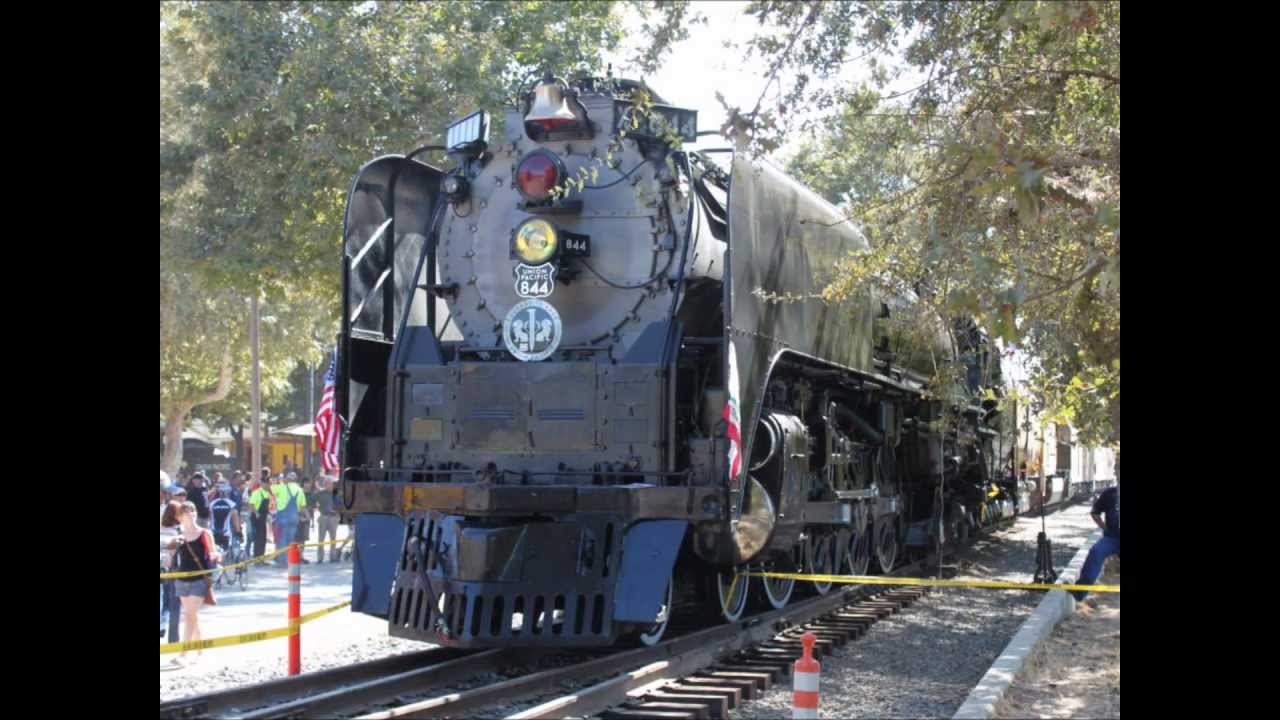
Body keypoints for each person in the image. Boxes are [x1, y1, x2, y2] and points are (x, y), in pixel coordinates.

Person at [167, 501, 221, 668]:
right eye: (187, 512)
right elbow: (170, 559)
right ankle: (200, 650)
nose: (191, 514)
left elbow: (213, 554)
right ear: (180, 517)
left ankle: (184, 654)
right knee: (192, 616)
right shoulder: (179, 536)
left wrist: (216, 557)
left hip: (199, 580)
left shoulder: (205, 533)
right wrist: (171, 548)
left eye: (193, 511)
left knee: (189, 614)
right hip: (182, 580)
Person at [1071, 484, 1120, 607]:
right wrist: (1105, 528)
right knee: (1096, 551)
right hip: (1112, 538)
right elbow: (1095, 512)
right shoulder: (1109, 493)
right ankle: (1080, 591)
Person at [272, 472, 307, 564]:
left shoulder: (282, 487)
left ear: (287, 479)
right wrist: (303, 516)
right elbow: (302, 506)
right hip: (294, 517)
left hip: (282, 517)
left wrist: (279, 481)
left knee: (282, 539)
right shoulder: (300, 490)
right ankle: (288, 560)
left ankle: (282, 561)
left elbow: (271, 489)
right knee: (290, 539)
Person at [161, 495, 181, 641]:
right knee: (171, 601)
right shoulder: (179, 531)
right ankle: (165, 627)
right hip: (171, 568)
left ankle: (162, 625)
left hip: (165, 566)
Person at [313, 475, 341, 562]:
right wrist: (317, 507)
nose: (328, 485)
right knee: (321, 539)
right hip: (323, 517)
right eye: (326, 483)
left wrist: (337, 511)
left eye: (330, 483)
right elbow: (312, 501)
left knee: (333, 538)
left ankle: (333, 557)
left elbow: (342, 504)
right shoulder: (320, 493)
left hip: (333, 518)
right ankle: (320, 558)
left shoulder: (337, 494)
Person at [209, 483, 242, 552]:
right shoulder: (231, 504)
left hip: (213, 532)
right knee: (225, 552)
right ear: (228, 493)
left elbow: (210, 518)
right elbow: (235, 519)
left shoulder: (212, 503)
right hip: (225, 532)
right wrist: (238, 532)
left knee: (214, 552)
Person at [248, 475, 274, 559]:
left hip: (263, 517)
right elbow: (251, 504)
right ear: (263, 483)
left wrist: (269, 513)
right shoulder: (257, 492)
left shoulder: (267, 493)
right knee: (258, 538)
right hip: (257, 518)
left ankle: (261, 557)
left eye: (270, 484)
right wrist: (256, 513)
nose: (269, 485)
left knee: (263, 538)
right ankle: (257, 557)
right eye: (268, 483)